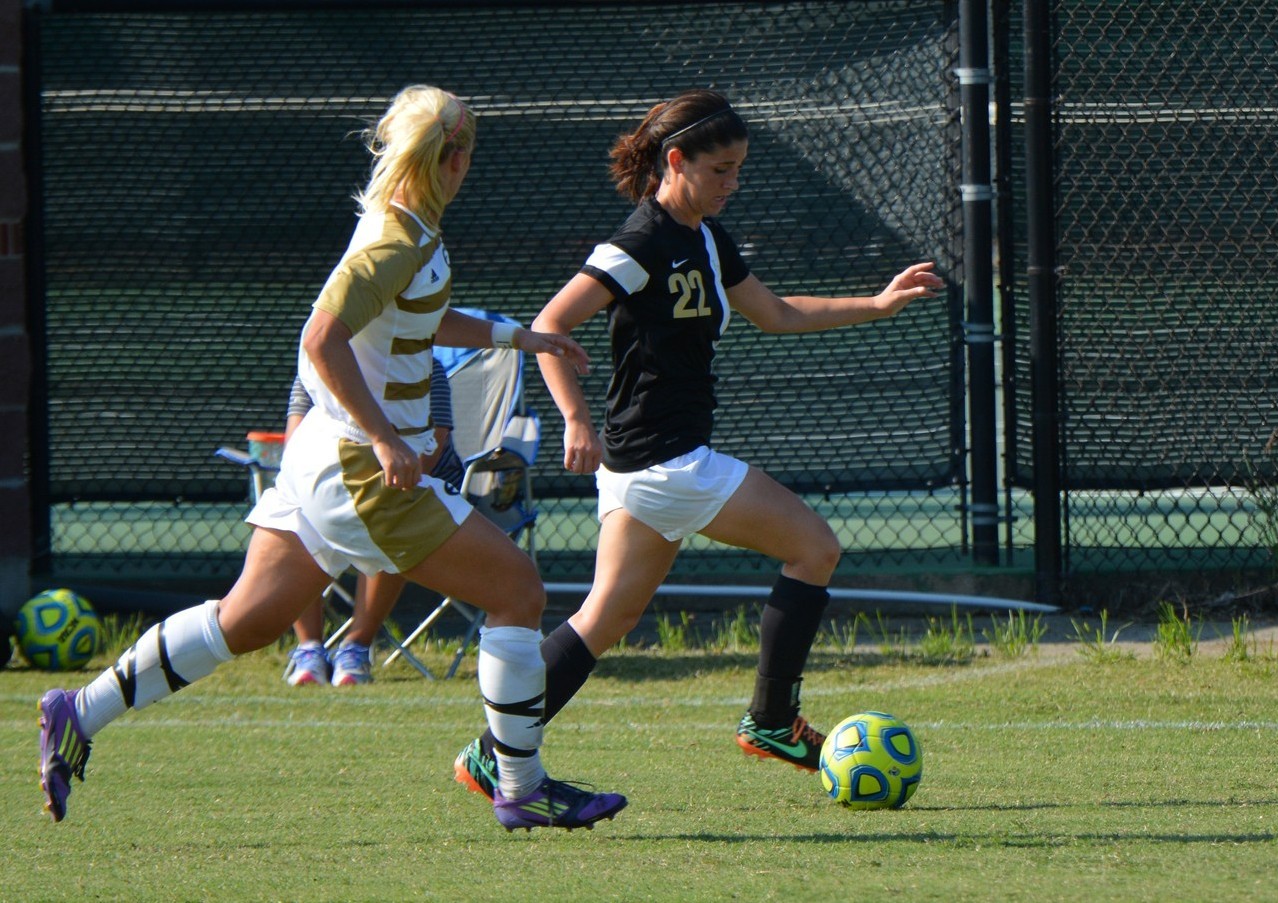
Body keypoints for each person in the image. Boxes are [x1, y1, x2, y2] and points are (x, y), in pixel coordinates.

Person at [38, 84, 627, 832]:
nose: (469, 166)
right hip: (356, 462)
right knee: (517, 588)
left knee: (245, 621)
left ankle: (75, 712)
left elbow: (419, 317)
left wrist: (522, 337)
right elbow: (319, 338)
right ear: (451, 158)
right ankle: (520, 782)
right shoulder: (395, 237)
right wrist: (385, 436)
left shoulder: (408, 228)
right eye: (467, 152)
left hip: (322, 449)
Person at [453, 88, 943, 799]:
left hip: (644, 462)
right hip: (665, 456)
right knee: (815, 546)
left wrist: (876, 302)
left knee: (605, 616)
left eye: (739, 168)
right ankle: (772, 718)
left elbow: (772, 312)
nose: (732, 182)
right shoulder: (640, 242)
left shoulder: (706, 238)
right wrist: (575, 419)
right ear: (675, 161)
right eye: (721, 169)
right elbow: (549, 327)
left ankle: (494, 751)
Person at [282, 362, 465, 687]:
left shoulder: (424, 366)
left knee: (392, 516)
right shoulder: (317, 362)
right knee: (293, 516)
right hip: (329, 487)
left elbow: (427, 457)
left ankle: (356, 648)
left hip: (405, 487)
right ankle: (308, 648)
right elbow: (294, 446)